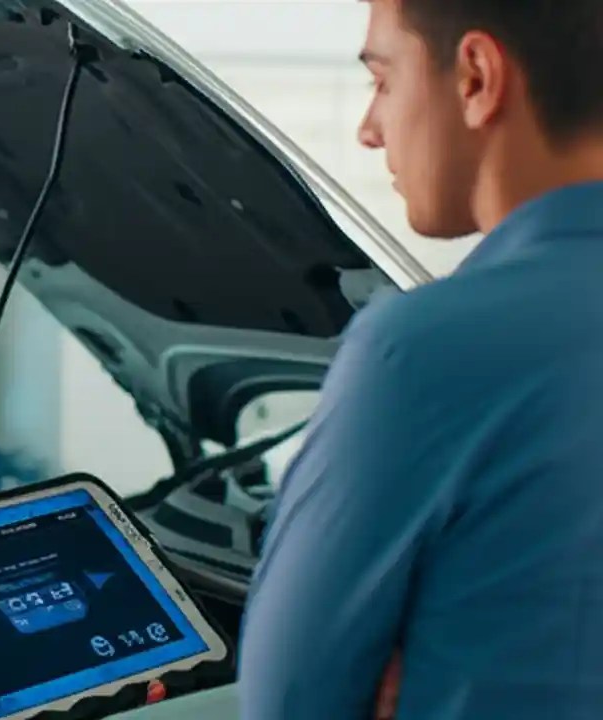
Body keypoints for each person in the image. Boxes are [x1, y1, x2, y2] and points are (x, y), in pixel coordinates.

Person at [238, 0, 603, 717]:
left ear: (475, 77)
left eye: (383, 80)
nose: (369, 130)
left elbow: (288, 704)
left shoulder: (423, 349)